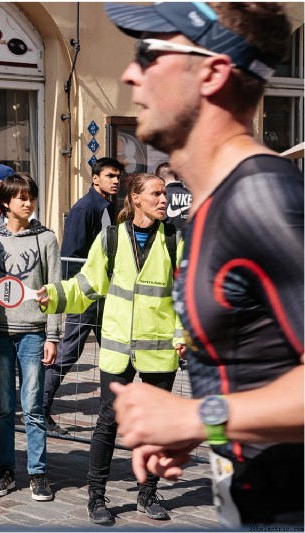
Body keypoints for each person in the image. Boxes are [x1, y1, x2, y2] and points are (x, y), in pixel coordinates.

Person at [104, 2, 303, 527]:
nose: (130, 73)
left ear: (212, 73)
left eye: (148, 55)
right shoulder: (209, 206)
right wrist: (203, 431)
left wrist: (196, 412)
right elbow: (260, 369)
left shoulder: (263, 198)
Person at [37, 172, 184, 525]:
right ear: (136, 198)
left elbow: (185, 295)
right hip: (118, 349)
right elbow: (86, 285)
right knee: (108, 422)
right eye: (157, 194)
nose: (164, 199)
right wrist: (54, 295)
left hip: (161, 350)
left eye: (164, 194)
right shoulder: (112, 238)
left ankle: (147, 494)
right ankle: (96, 497)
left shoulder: (175, 239)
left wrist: (184, 336)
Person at [0, 174, 61, 504]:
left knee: (32, 407)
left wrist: (53, 336)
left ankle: (37, 471)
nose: (27, 202)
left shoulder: (47, 239)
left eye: (31, 196)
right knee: (3, 408)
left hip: (33, 332)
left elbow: (56, 289)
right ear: (5, 202)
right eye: (20, 197)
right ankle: (5, 469)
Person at [43, 157, 123, 436]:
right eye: (110, 175)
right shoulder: (85, 208)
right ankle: (40, 410)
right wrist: (76, 294)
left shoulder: (106, 206)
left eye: (118, 176)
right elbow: (71, 256)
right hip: (86, 294)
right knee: (69, 351)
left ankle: (114, 412)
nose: (115, 180)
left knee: (114, 352)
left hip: (106, 295)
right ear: (95, 178)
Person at [155, 162, 191, 232]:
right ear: (177, 176)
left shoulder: (160, 196)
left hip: (167, 239)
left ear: (158, 178)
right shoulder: (194, 195)